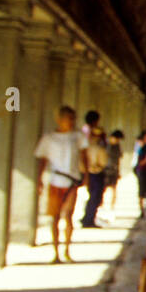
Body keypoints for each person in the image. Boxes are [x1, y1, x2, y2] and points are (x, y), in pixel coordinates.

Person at [34, 105, 89, 263]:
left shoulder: (77, 136)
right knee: (55, 217)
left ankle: (67, 249)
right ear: (59, 120)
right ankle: (56, 252)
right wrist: (39, 180)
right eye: (68, 119)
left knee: (69, 215)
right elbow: (43, 159)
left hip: (72, 181)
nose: (71, 122)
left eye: (73, 119)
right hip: (56, 180)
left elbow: (84, 155)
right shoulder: (49, 138)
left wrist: (86, 176)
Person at [80, 110, 108, 228]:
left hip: (88, 169)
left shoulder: (84, 132)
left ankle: (88, 217)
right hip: (94, 170)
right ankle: (88, 219)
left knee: (93, 195)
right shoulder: (89, 135)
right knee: (95, 195)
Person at [104, 129, 124, 216]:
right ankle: (102, 205)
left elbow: (118, 159)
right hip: (107, 169)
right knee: (104, 189)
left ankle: (112, 206)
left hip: (114, 170)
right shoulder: (106, 145)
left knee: (114, 189)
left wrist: (118, 171)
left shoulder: (117, 146)